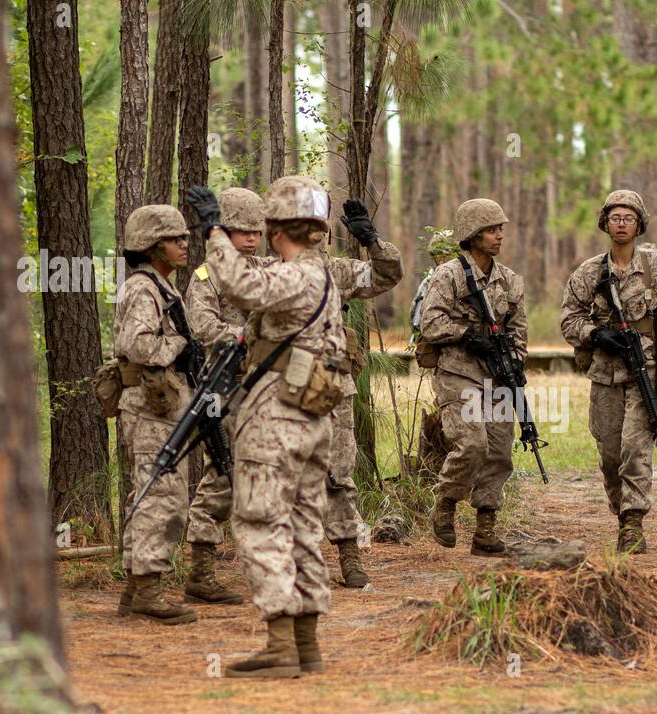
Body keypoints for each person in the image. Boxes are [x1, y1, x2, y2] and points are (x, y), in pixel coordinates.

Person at [187, 176, 347, 676]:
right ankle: (305, 644)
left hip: (275, 418)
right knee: (302, 527)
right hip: (310, 418)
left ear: (277, 230)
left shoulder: (298, 275)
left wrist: (214, 231)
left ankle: (280, 642)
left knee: (261, 520)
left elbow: (240, 285)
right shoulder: (321, 277)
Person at [559, 192, 657, 552]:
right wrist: (597, 334)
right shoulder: (590, 272)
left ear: (639, 224)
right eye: (615, 217)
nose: (621, 223)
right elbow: (569, 319)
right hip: (606, 372)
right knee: (610, 455)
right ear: (605, 223)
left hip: (648, 370)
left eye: (628, 217)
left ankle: (633, 523)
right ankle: (621, 512)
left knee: (635, 449)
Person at [418, 198, 528, 555]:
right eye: (492, 230)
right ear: (473, 234)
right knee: (472, 442)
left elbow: (520, 334)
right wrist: (468, 335)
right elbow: (431, 323)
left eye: (500, 230)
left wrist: (513, 364)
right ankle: (446, 501)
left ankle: (485, 530)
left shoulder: (510, 281)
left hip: (496, 377)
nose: (499, 236)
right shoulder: (448, 275)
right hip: (457, 372)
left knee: (498, 451)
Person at [113, 205, 198, 624]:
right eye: (174, 239)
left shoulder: (162, 287)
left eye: (184, 237)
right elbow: (140, 346)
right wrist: (180, 344)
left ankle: (134, 591)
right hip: (149, 408)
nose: (184, 245)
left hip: (161, 407)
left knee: (151, 494)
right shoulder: (144, 289)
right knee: (159, 496)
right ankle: (148, 589)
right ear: (152, 246)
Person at [181, 187, 265, 605]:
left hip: (263, 387)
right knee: (223, 471)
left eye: (256, 231)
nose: (250, 239)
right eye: (240, 231)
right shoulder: (206, 276)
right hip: (224, 385)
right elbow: (202, 326)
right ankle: (201, 568)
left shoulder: (264, 269)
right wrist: (245, 336)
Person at [323, 200, 404, 587]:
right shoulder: (268, 272)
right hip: (281, 391)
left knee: (340, 472)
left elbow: (388, 275)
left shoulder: (336, 270)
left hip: (333, 387)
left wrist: (372, 241)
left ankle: (349, 556)